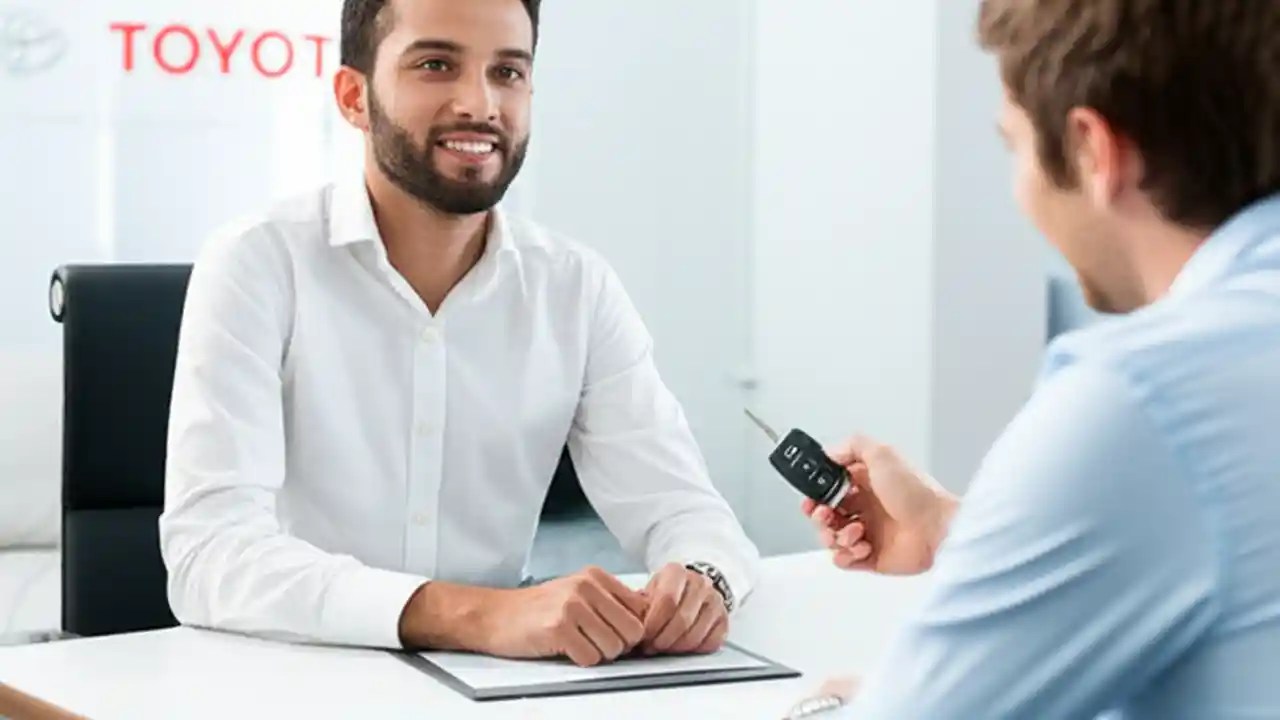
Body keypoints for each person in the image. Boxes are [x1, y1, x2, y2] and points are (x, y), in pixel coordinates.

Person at [159, 0, 758, 668]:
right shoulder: (257, 262)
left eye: (508, 72)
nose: (480, 103)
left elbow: (686, 509)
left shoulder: (575, 287)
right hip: (293, 677)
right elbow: (208, 556)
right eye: (437, 65)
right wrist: (478, 613)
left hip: (499, 685)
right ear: (354, 96)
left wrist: (704, 579)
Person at [803, 0, 1280, 717]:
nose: (1020, 186)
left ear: (1093, 150)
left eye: (1016, 146)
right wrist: (963, 532)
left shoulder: (1141, 400)